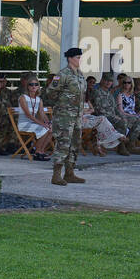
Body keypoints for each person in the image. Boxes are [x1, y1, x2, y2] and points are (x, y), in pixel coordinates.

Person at [46, 47, 87, 184]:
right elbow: (51, 92)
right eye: (77, 57)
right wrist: (63, 103)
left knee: (75, 143)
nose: (79, 60)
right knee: (63, 144)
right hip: (64, 116)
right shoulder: (62, 74)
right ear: (70, 58)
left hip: (77, 116)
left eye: (80, 57)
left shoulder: (80, 74)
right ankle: (56, 175)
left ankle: (69, 173)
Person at [92, 72, 140, 154]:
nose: (108, 83)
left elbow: (115, 108)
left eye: (110, 81)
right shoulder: (97, 92)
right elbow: (98, 109)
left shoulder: (109, 93)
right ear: (102, 80)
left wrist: (120, 115)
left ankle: (130, 144)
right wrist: (117, 117)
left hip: (113, 116)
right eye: (106, 80)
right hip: (102, 117)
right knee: (122, 122)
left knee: (138, 121)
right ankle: (121, 147)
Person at [16, 77, 52, 160]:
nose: (34, 86)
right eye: (31, 84)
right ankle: (38, 152)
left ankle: (41, 151)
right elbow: (28, 115)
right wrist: (42, 124)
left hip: (33, 123)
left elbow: (42, 113)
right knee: (44, 129)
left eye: (36, 84)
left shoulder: (39, 99)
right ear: (27, 87)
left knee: (51, 129)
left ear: (38, 86)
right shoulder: (23, 98)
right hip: (24, 124)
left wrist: (48, 122)